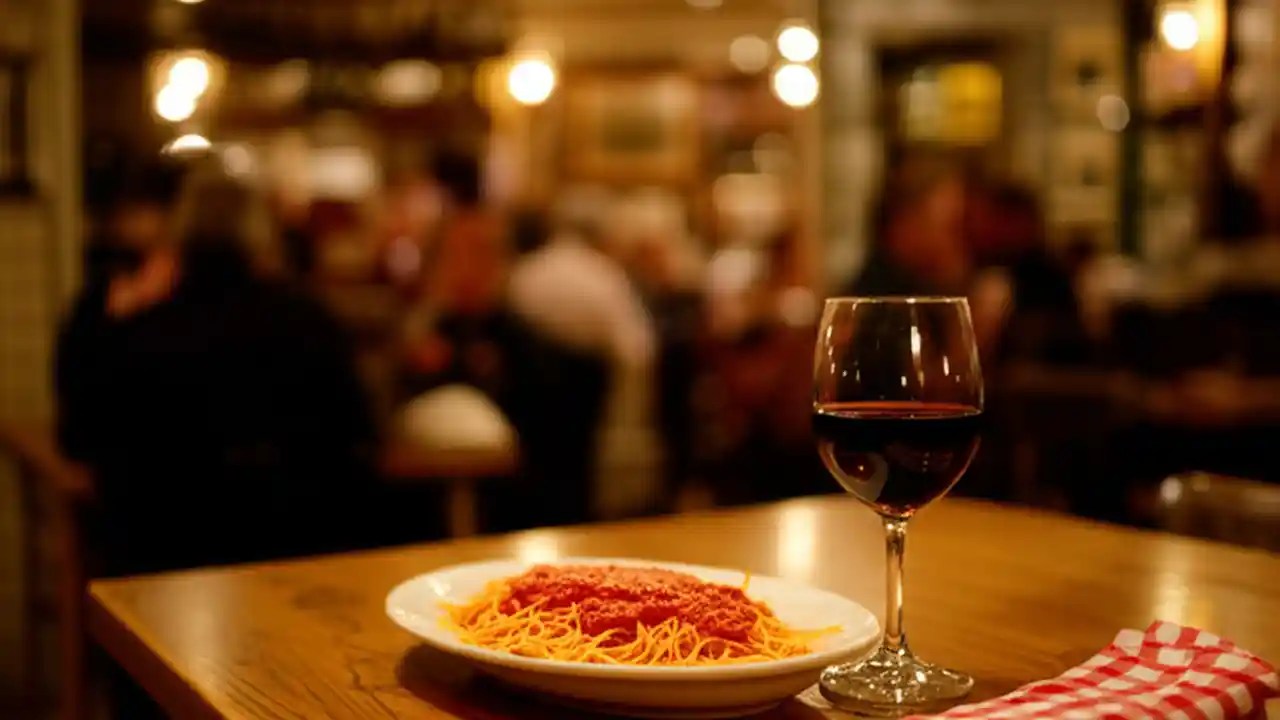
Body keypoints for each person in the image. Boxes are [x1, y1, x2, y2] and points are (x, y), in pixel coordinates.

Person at [57, 154, 378, 578]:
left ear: (178, 237)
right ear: (260, 236)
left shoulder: (143, 331)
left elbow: (77, 436)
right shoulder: (305, 322)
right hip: (289, 554)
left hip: (160, 564)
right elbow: (359, 432)